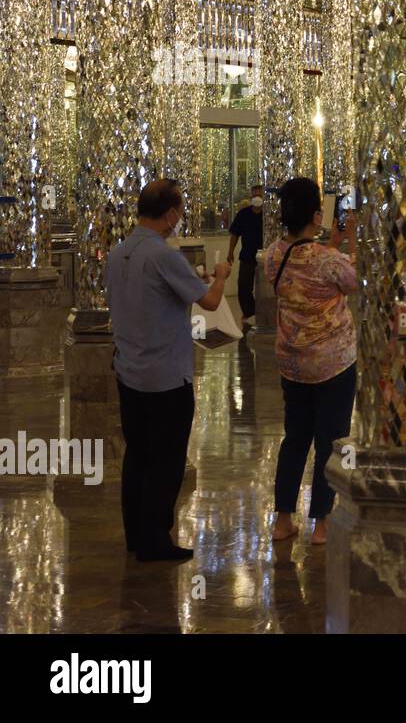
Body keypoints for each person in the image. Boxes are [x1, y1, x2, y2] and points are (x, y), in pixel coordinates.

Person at [106, 179, 230, 562]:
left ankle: (135, 535)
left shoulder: (119, 252)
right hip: (165, 377)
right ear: (171, 214)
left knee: (138, 455)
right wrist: (222, 275)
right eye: (181, 210)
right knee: (166, 460)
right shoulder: (163, 254)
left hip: (130, 371)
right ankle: (156, 539)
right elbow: (210, 302)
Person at [264, 178, 358, 546]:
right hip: (333, 365)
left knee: (295, 440)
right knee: (330, 442)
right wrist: (346, 242)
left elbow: (305, 271)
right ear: (317, 215)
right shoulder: (330, 261)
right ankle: (322, 523)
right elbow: (350, 281)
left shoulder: (274, 254)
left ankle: (282, 519)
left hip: (293, 364)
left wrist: (330, 245)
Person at [226, 183, 265, 326]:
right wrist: (230, 252)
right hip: (247, 257)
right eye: (254, 195)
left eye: (260, 195)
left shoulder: (268, 215)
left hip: (265, 258)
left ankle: (264, 314)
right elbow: (235, 234)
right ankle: (249, 312)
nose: (257, 198)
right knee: (243, 286)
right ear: (251, 196)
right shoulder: (243, 214)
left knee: (265, 288)